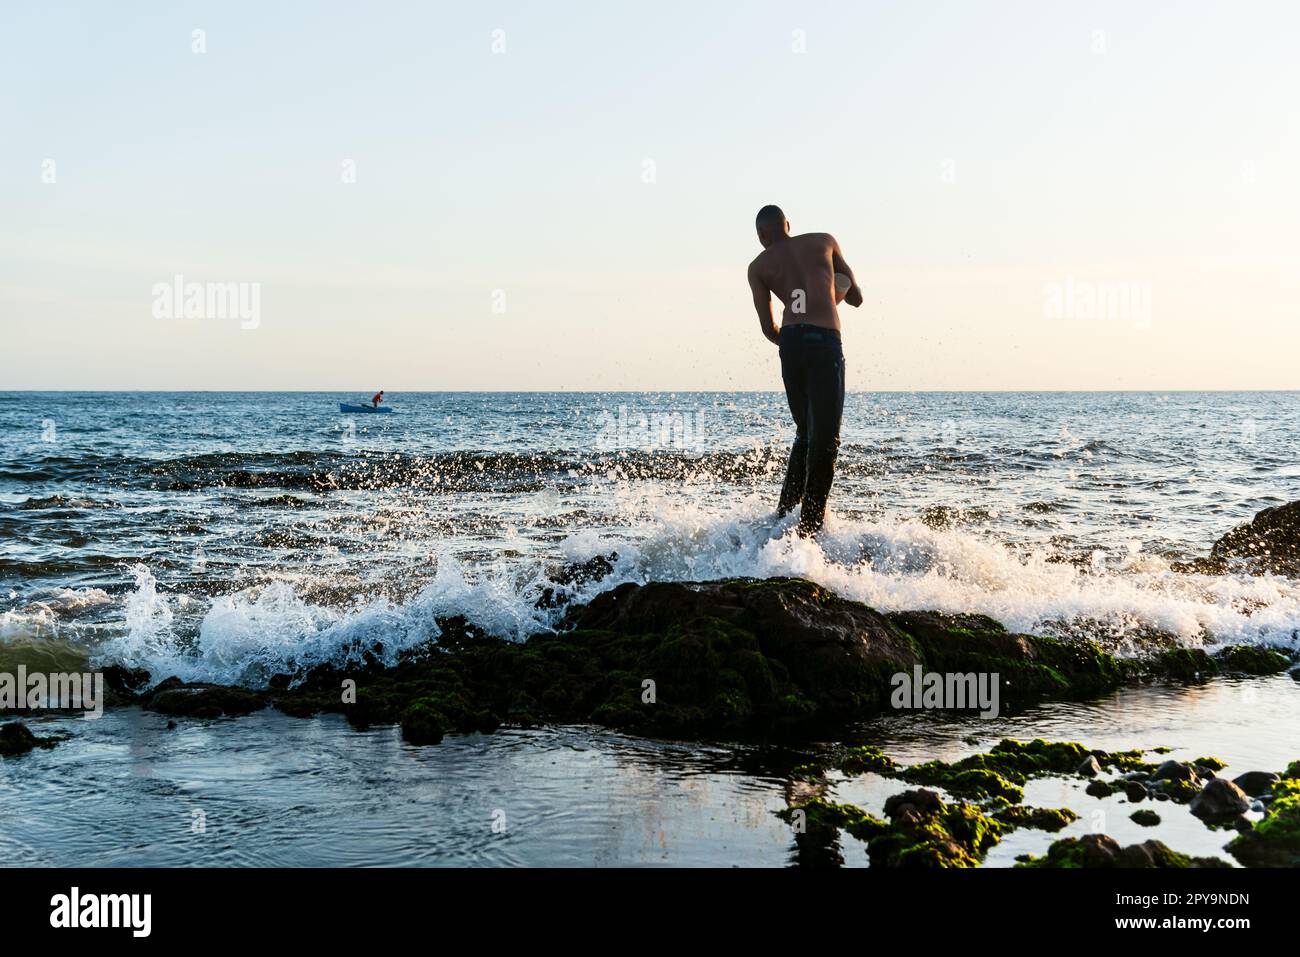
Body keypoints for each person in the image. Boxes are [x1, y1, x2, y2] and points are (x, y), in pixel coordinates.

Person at [747, 205, 862, 536]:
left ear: (762, 236)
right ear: (788, 225)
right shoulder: (825, 241)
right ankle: (808, 533)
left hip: (791, 344)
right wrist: (830, 296)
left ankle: (782, 520)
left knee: (804, 433)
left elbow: (770, 329)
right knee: (825, 441)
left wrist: (796, 335)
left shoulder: (758, 267)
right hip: (825, 342)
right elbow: (855, 296)